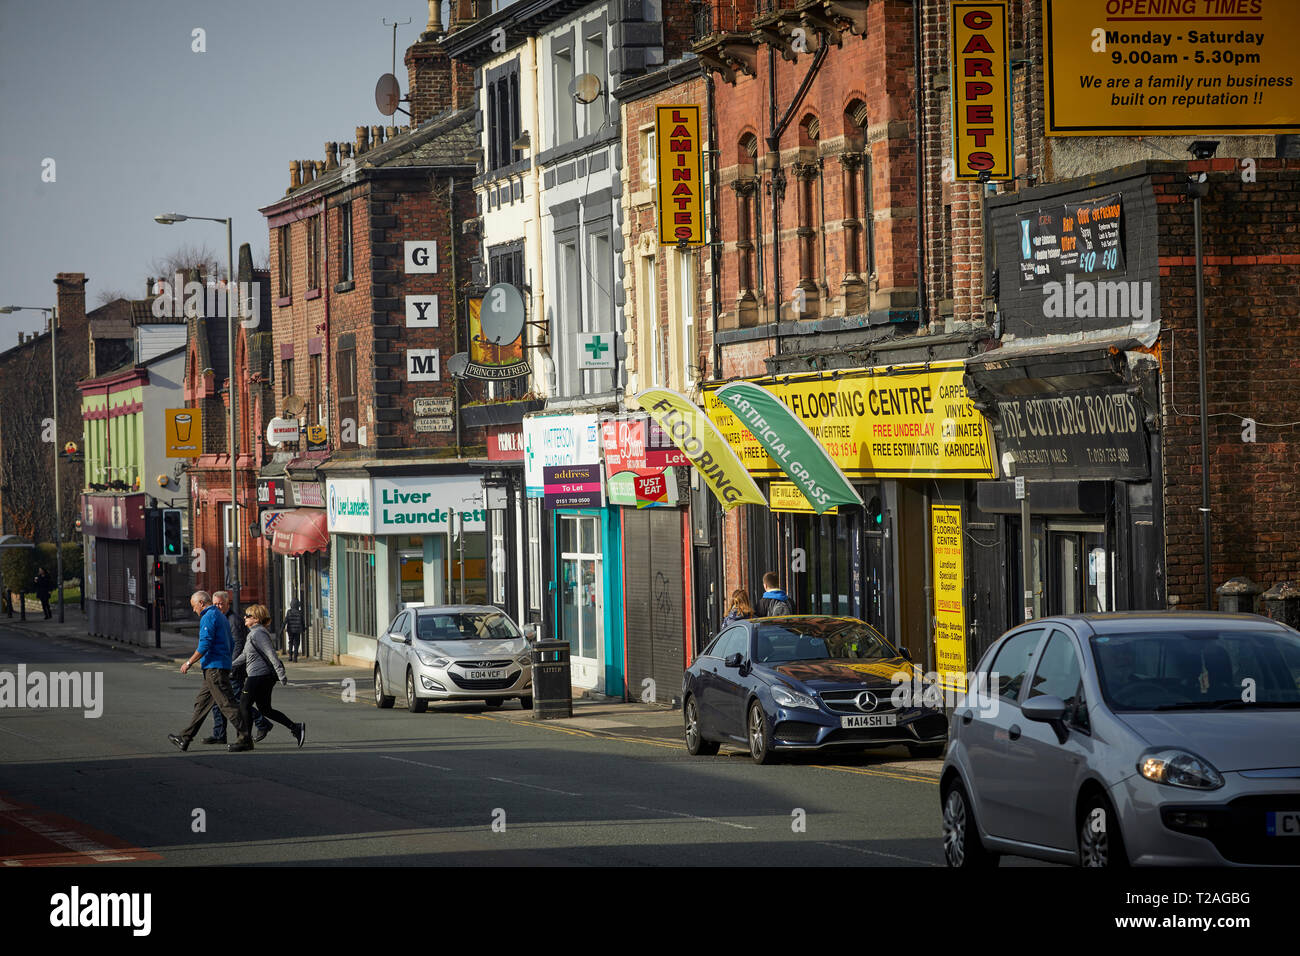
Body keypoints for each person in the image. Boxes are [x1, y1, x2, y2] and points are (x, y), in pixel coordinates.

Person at [169, 590, 253, 753]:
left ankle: (245, 738)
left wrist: (189, 662)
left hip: (214, 667)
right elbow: (230, 641)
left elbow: (204, 644)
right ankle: (185, 738)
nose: (194, 610)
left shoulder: (208, 616)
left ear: (201, 603)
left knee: (226, 704)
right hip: (217, 666)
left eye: (194, 607)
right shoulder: (220, 616)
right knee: (201, 704)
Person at [201, 591, 272, 745]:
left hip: (233, 669)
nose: (218, 606)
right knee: (218, 702)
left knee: (235, 702)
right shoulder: (220, 618)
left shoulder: (233, 620)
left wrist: (230, 666)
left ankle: (261, 722)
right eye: (215, 604)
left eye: (221, 603)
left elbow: (238, 645)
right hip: (224, 666)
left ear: (227, 603)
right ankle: (219, 734)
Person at [234, 604, 305, 748]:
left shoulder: (258, 633)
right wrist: (230, 666)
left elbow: (271, 653)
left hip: (259, 675)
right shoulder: (253, 633)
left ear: (256, 619)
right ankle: (296, 727)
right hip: (261, 676)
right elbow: (245, 655)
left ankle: (245, 741)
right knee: (265, 709)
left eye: (248, 616)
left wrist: (281, 673)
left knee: (243, 705)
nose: (244, 618)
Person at [282, 597, 305, 662]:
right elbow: (302, 621)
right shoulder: (300, 612)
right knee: (296, 643)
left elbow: (285, 621)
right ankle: (295, 657)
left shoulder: (289, 612)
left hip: (290, 630)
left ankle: (290, 656)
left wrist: (282, 628)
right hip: (297, 630)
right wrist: (303, 629)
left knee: (290, 642)